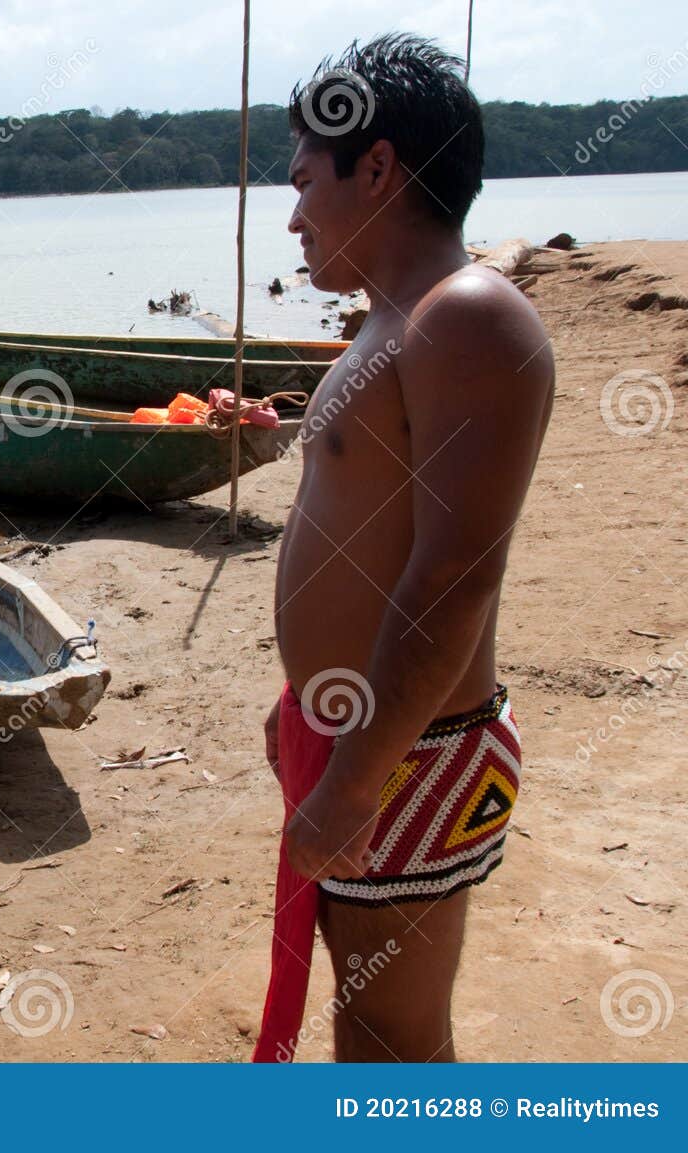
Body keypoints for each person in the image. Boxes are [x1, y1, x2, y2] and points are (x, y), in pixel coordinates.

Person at [257, 34, 554, 1063]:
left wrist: (354, 780)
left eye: (302, 182)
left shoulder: (463, 318)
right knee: (365, 1017)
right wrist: (305, 702)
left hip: (410, 753)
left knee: (390, 1038)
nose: (291, 216)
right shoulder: (386, 323)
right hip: (366, 736)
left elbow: (453, 576)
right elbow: (359, 533)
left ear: (375, 167)